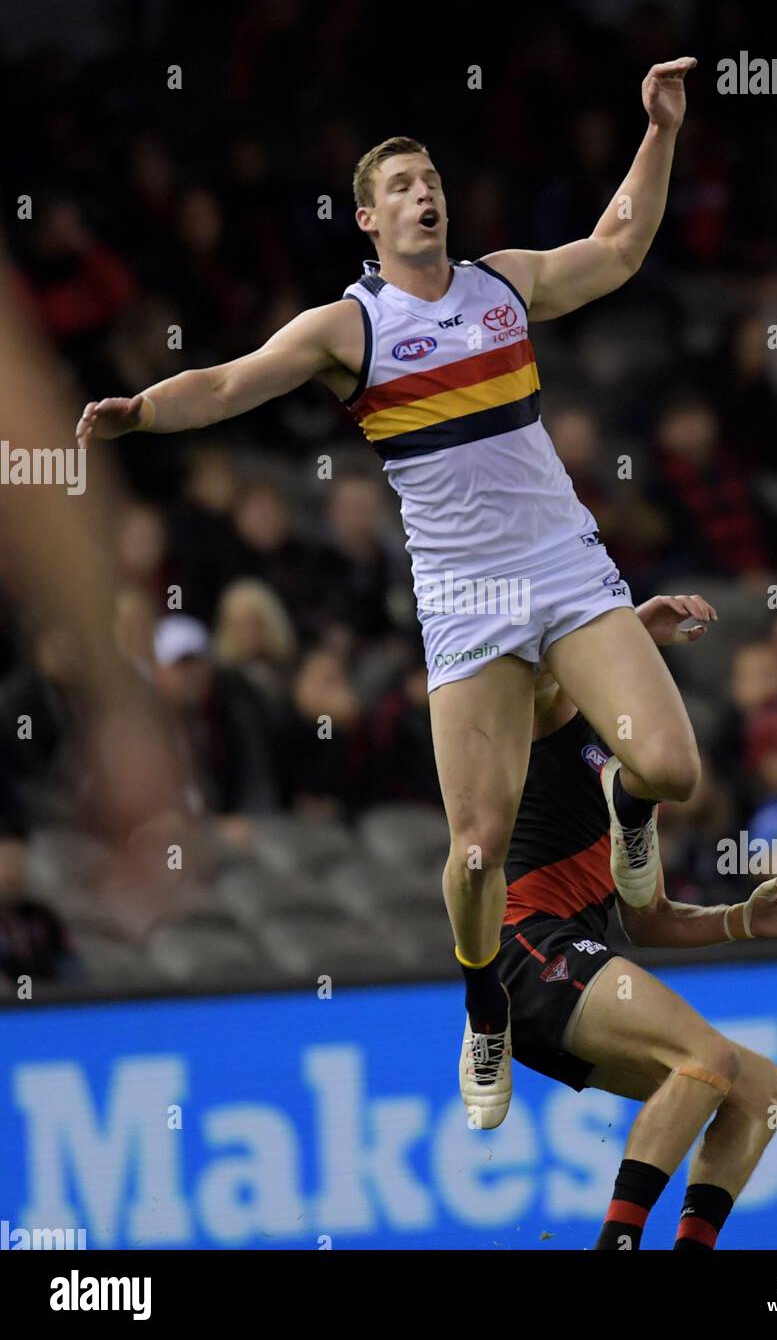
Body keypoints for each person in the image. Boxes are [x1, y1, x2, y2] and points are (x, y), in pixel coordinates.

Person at [77, 57, 705, 1128]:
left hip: (562, 566)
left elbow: (616, 248)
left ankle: (629, 817)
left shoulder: (501, 284)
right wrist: (143, 412)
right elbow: (228, 382)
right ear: (368, 218)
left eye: (434, 180)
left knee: (668, 766)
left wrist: (658, 130)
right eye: (404, 185)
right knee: (472, 852)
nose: (427, 194)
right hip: (465, 600)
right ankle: (483, 1004)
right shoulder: (349, 330)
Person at [495, 594, 777, 1249]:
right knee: (707, 1056)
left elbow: (649, 922)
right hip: (526, 950)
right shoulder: (557, 718)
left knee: (761, 1091)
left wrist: (742, 919)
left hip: (568, 963)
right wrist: (632, 629)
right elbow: (534, 669)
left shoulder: (628, 787)